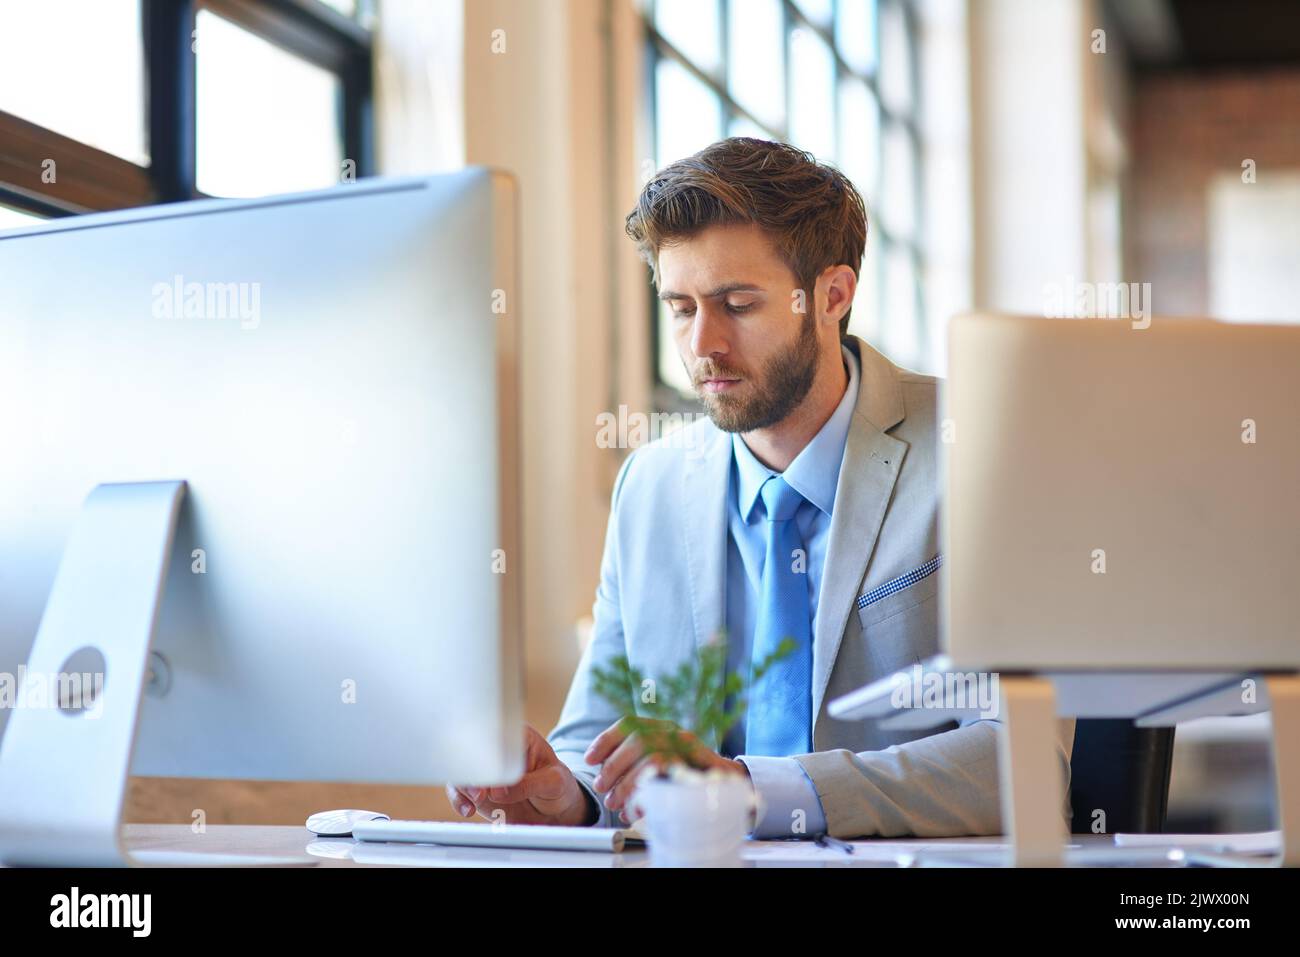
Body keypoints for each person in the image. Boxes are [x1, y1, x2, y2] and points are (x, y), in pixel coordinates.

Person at [446, 137, 1074, 838]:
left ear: (832, 295)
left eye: (737, 304)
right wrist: (566, 792)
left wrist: (757, 789)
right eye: (680, 308)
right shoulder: (650, 487)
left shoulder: (982, 446)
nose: (703, 345)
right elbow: (595, 735)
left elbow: (1022, 760)